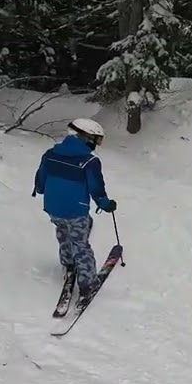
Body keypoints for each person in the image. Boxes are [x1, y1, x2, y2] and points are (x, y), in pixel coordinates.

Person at [33, 118, 118, 306]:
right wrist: (105, 204)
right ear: (85, 137)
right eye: (95, 139)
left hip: (53, 209)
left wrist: (41, 189)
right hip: (75, 211)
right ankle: (87, 284)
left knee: (63, 233)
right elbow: (96, 188)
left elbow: (40, 181)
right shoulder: (89, 161)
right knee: (80, 245)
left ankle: (68, 264)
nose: (96, 144)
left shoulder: (50, 154)